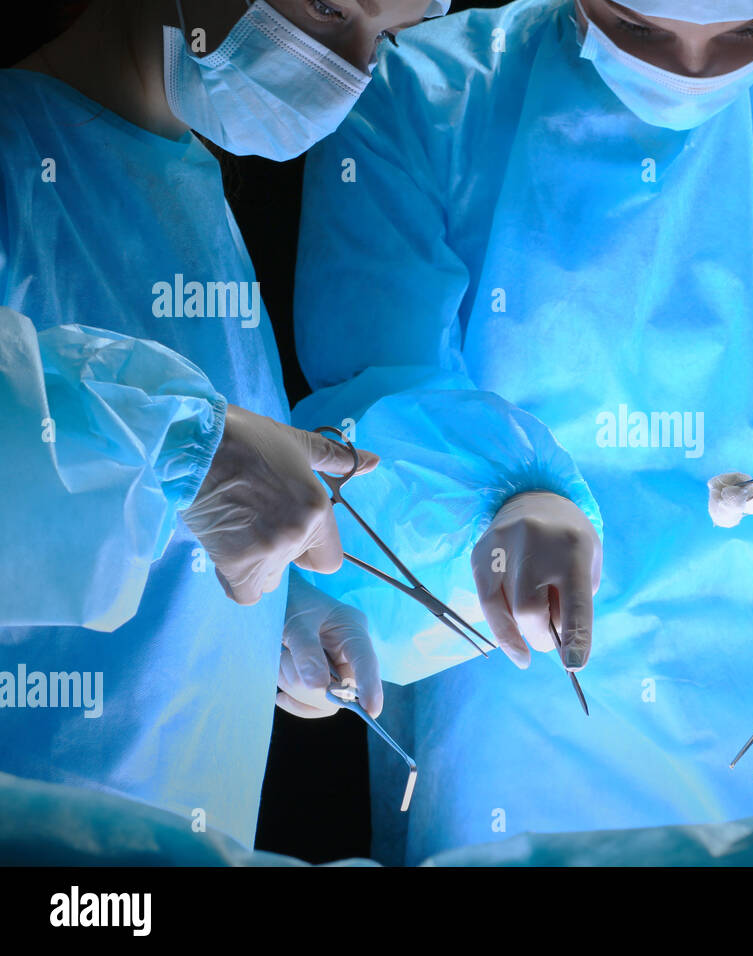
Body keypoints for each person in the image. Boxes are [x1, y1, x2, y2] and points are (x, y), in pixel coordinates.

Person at [293, 0, 753, 861]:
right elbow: (372, 391)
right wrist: (489, 509)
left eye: (747, 32)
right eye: (639, 28)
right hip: (530, 730)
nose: (693, 70)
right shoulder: (423, 94)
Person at [0, 0, 442, 846]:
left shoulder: (192, 185)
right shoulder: (19, 153)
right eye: (330, 5)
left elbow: (142, 533)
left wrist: (267, 621)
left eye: (383, 37)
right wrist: (173, 449)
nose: (349, 69)